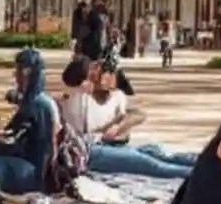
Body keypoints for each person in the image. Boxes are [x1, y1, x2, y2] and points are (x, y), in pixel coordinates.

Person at [59, 56, 196, 179]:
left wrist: (118, 126)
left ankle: (208, 163)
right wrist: (83, 82)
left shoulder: (115, 95)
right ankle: (201, 176)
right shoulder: (77, 94)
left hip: (113, 145)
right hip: (88, 150)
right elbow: (69, 77)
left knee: (158, 151)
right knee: (151, 165)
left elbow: (138, 114)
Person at [0, 48, 55, 195]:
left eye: (17, 70)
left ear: (26, 72)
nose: (15, 75)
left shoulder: (40, 104)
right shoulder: (34, 101)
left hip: (33, 171)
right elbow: (14, 135)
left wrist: (42, 183)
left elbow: (46, 148)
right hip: (27, 161)